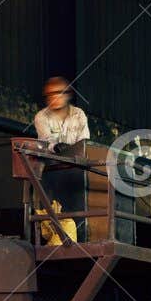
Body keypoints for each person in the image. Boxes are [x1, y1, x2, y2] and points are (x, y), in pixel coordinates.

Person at [31, 77, 89, 243]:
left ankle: (78, 237)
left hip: (76, 172)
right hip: (53, 172)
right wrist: (56, 147)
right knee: (55, 209)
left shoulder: (78, 115)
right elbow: (47, 140)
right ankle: (59, 239)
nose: (53, 97)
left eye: (57, 93)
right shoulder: (41, 116)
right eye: (49, 94)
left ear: (67, 94)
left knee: (76, 207)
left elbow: (84, 142)